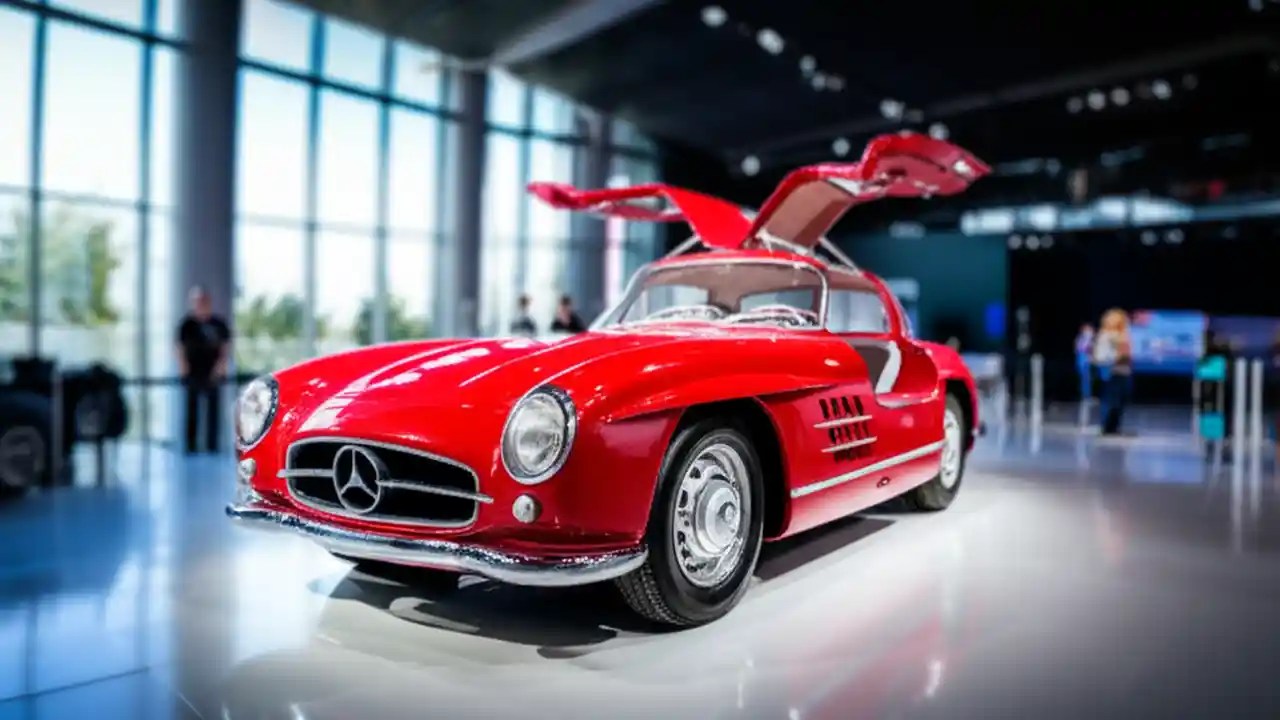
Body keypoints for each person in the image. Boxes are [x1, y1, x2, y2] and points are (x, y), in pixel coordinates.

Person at [176, 286, 230, 454]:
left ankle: (212, 445)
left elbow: (225, 347)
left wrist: (221, 367)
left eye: (203, 302)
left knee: (213, 411)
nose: (201, 305)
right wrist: (183, 367)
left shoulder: (218, 324)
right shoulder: (187, 324)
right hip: (193, 373)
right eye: (197, 302)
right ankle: (190, 445)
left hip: (212, 373)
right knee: (191, 410)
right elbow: (179, 347)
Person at [1093, 309, 1132, 436]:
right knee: (1111, 400)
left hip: (1123, 371)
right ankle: (1107, 426)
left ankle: (1114, 426)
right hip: (1112, 371)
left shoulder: (1123, 335)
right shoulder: (1107, 335)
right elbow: (1101, 356)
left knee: (1120, 401)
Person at [1075, 323, 1095, 401]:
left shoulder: (1091, 339)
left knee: (1087, 379)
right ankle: (1085, 396)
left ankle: (1087, 395)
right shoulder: (1082, 339)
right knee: (1085, 379)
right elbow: (1080, 349)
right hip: (1083, 360)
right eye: (1086, 329)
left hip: (1087, 360)